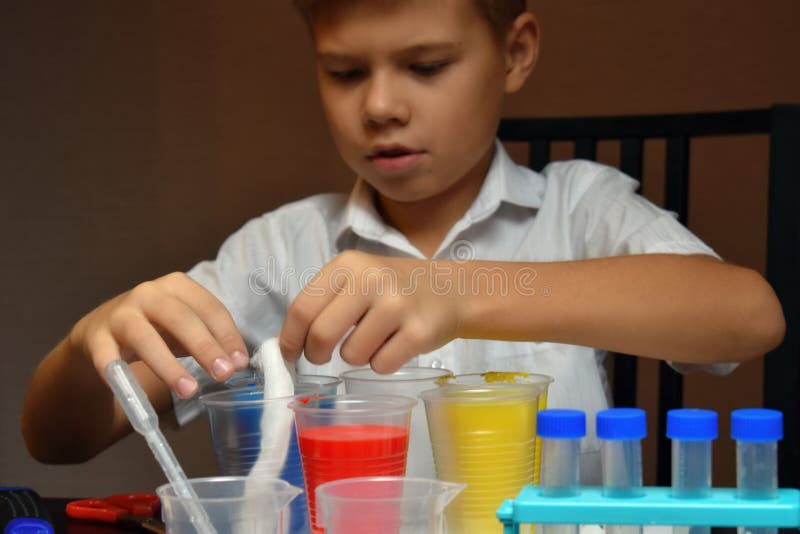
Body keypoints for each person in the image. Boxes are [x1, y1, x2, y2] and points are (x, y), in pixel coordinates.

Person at [22, 0, 784, 482]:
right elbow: (58, 441)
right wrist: (90, 344)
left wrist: (463, 292)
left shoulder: (578, 209)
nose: (381, 105)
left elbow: (747, 317)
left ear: (515, 52)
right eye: (344, 71)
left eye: (425, 66)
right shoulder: (281, 254)